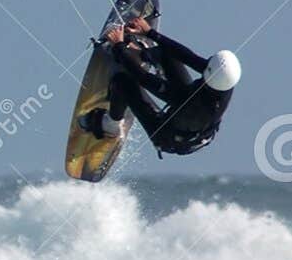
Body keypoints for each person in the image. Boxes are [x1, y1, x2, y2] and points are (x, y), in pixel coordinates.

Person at [80, 17, 241, 157]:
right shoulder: (224, 82)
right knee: (166, 53)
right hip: (190, 114)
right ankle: (140, 53)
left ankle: (111, 125)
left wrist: (118, 47)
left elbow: (143, 78)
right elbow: (188, 56)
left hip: (168, 137)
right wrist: (150, 32)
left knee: (123, 82)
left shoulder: (190, 101)